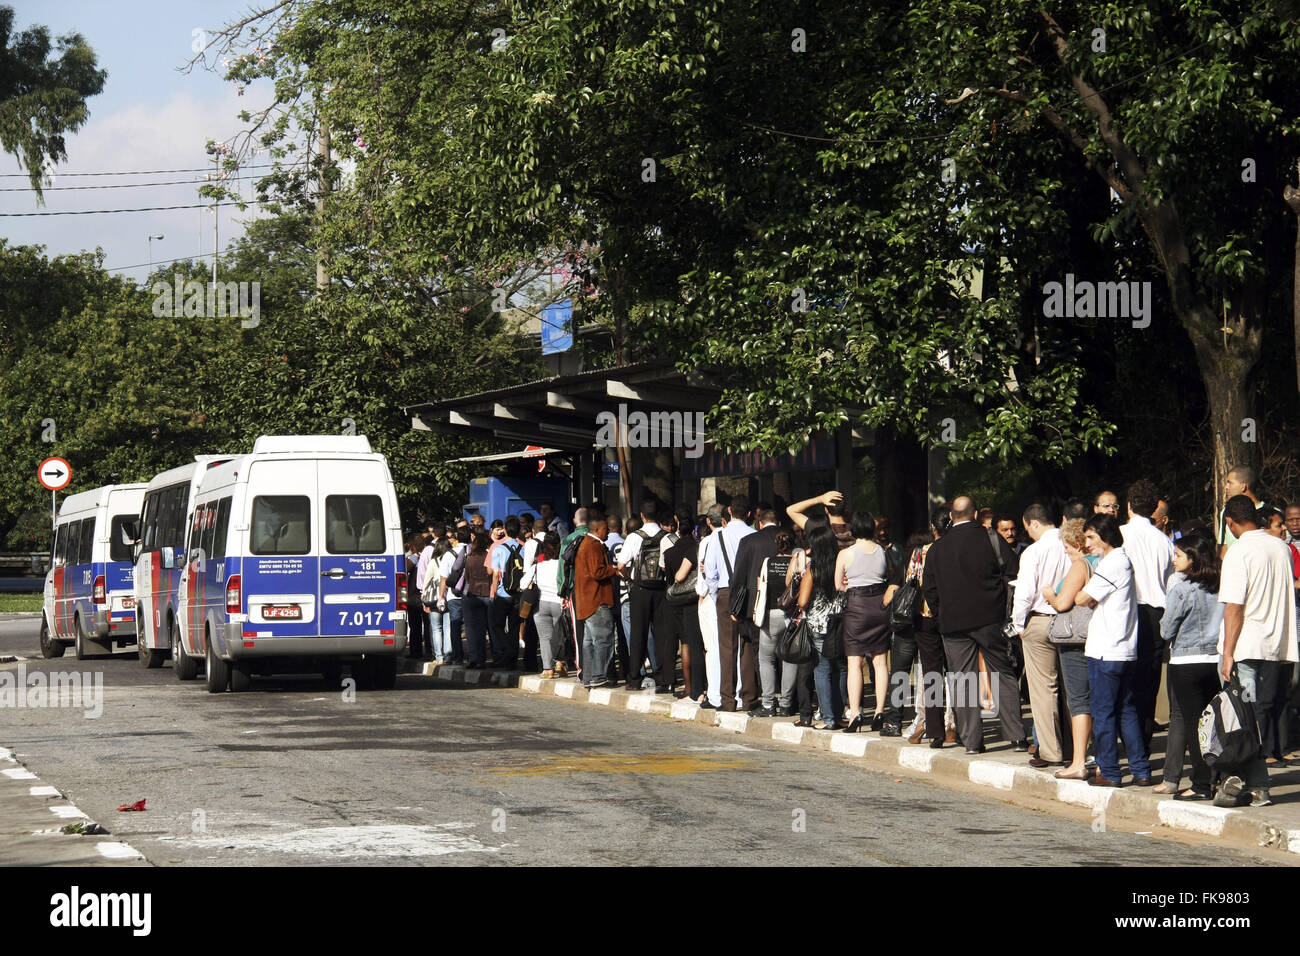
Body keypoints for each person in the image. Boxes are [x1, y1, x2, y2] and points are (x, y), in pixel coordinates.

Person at [922, 496, 1025, 754]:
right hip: (991, 618)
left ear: (951, 518)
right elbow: (1012, 573)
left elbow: (930, 590)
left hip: (953, 622)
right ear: (975, 514)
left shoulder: (936, 549)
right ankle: (1016, 736)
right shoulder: (991, 539)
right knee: (1002, 673)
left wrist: (941, 612)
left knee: (962, 680)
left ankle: (972, 742)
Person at [1216, 495, 1297, 806]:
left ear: (1232, 523)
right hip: (1277, 646)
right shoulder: (1281, 547)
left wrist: (1227, 653)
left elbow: (1234, 608)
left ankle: (1248, 783)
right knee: (1255, 716)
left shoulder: (1239, 552)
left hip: (1246, 647)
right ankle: (1253, 784)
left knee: (1241, 717)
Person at [1074, 513, 1153, 787]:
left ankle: (1108, 770)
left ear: (1105, 536)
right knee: (1127, 711)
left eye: (1091, 537)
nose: (1087, 543)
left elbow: (1081, 598)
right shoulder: (1123, 560)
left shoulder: (1112, 563)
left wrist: (1079, 571)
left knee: (1104, 712)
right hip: (1124, 649)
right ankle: (1141, 769)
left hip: (1106, 650)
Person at [1153, 533, 1223, 799]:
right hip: (1213, 661)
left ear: (1192, 558)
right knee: (1212, 722)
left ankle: (1202, 784)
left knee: (1195, 725)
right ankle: (1216, 776)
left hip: (1185, 661)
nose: (1174, 559)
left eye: (1179, 554)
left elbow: (1166, 629)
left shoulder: (1182, 589)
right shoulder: (1219, 586)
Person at [1011, 503, 1072, 768]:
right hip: (1070, 620)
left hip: (1040, 619)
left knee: (1044, 690)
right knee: (1072, 688)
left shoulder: (1034, 552)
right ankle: (1076, 747)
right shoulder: (1073, 545)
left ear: (1034, 523)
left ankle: (1050, 750)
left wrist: (1017, 624)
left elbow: (1024, 592)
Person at [1039, 518, 1096, 779]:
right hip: (1099, 637)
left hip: (1075, 639)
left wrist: (1049, 593)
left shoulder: (1081, 566)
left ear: (1076, 543)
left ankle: (1078, 761)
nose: (1065, 551)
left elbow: (1062, 603)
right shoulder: (1106, 561)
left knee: (1079, 702)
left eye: (1067, 545)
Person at [1120, 479, 1176, 747]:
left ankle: (1126, 743)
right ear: (1154, 508)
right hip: (1156, 613)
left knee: (1123, 678)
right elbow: (1171, 580)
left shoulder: (1119, 535)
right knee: (1148, 681)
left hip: (1126, 611)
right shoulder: (1163, 541)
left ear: (1129, 506)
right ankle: (1142, 740)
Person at [837, 509, 891, 732]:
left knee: (854, 663)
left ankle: (856, 713)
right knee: (880, 662)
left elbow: (839, 585)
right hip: (879, 606)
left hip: (856, 606)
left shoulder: (846, 554)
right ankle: (879, 711)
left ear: (853, 528)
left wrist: (851, 584)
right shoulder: (881, 551)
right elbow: (887, 575)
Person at [703, 495, 755, 710]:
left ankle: (727, 699)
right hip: (750, 594)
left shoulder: (718, 537)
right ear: (750, 515)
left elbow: (711, 572)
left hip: (725, 593)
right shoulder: (755, 535)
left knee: (727, 648)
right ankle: (749, 698)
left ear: (730, 511)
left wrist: (718, 595)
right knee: (748, 646)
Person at [797, 520, 847, 730]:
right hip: (840, 622)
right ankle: (840, 712)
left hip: (818, 626)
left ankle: (828, 718)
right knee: (840, 669)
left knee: (822, 670)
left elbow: (802, 601)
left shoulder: (813, 570)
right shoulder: (841, 564)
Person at [618, 501, 671, 692]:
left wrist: (630, 581)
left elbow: (621, 565)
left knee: (638, 634)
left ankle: (634, 678)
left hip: (640, 590)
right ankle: (663, 677)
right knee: (662, 634)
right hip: (661, 590)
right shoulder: (667, 536)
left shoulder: (634, 537)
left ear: (642, 516)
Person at [732, 505, 778, 716]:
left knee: (762, 654)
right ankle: (788, 698)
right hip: (786, 604)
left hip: (755, 606)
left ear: (759, 523)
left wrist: (736, 607)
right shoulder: (788, 539)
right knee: (787, 655)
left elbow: (739, 576)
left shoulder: (750, 541)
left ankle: (768, 699)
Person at [663, 506, 706, 703]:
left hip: (675, 602)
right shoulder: (697, 549)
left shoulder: (670, 552)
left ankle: (688, 688)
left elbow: (672, 577)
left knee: (685, 645)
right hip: (694, 601)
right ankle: (699, 687)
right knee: (697, 644)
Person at [753, 528, 796, 716]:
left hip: (770, 616)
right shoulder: (796, 564)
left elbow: (759, 587)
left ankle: (768, 704)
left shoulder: (767, 562)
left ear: (777, 545)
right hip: (791, 616)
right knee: (789, 660)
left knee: (766, 660)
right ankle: (786, 704)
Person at [574, 513, 618, 688]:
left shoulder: (586, 544)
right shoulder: (593, 545)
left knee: (589, 641)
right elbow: (597, 572)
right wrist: (613, 569)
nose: (607, 533)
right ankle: (598, 675)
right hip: (596, 600)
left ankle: (589, 677)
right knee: (603, 640)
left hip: (587, 601)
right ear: (598, 529)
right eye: (606, 530)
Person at [522, 535, 566, 678]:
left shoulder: (537, 567)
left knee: (544, 637)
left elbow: (522, 584)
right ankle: (560, 662)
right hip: (559, 603)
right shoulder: (562, 565)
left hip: (541, 604)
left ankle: (548, 669)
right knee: (559, 636)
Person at [488, 516, 525, 670]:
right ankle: (512, 661)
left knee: (497, 625)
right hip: (519, 593)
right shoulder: (524, 548)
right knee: (515, 627)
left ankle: (508, 651)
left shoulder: (499, 548)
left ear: (505, 530)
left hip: (503, 593)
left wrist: (494, 591)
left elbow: (496, 573)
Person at [695, 507, 723, 709]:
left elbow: (705, 576)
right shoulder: (742, 537)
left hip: (712, 599)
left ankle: (715, 694)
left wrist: (703, 597)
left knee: (712, 649)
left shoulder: (708, 541)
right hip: (734, 597)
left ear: (708, 521)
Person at [461, 532, 495, 668]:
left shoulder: (469, 558)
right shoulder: (489, 557)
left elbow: (467, 578)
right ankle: (489, 657)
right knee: (488, 628)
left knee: (471, 629)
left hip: (472, 594)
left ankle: (474, 658)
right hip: (487, 593)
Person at [1217, 465, 1267, 558]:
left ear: (1243, 487)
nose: (1226, 487)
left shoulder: (1271, 513)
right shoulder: (1225, 512)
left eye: (1230, 483)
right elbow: (1225, 548)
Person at [439, 528, 470, 664]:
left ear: (457, 538)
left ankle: (458, 656)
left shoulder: (448, 554)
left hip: (453, 595)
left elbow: (444, 579)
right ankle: (473, 655)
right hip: (471, 594)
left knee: (455, 627)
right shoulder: (474, 552)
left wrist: (441, 596)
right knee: (472, 627)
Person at [422, 538, 454, 663]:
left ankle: (439, 657)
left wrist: (424, 599)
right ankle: (449, 656)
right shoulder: (452, 559)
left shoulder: (433, 562)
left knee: (436, 628)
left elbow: (426, 581)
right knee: (448, 628)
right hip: (448, 596)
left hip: (434, 598)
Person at [404, 534, 427, 659]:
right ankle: (427, 651)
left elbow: (404, 568)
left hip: (414, 594)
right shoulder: (427, 556)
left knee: (415, 625)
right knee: (426, 625)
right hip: (425, 592)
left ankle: (415, 652)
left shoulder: (414, 558)